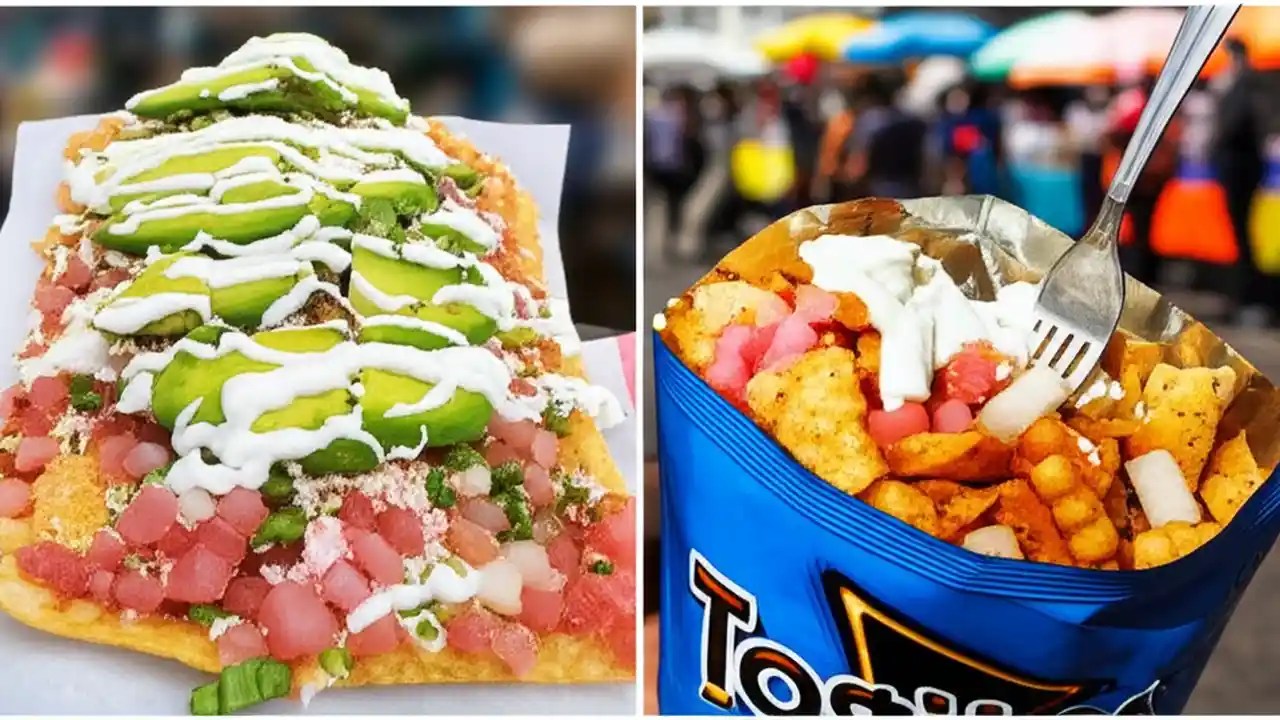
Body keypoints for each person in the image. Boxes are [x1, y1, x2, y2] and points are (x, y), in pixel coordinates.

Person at [1212, 37, 1269, 324]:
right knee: (1239, 233)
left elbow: (1234, 124)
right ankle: (1243, 294)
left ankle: (1247, 296)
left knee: (1242, 233)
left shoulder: (1244, 83)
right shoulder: (1242, 83)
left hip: (1240, 167)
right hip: (1239, 166)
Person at [1104, 78, 1179, 287]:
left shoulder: (1135, 106)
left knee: (1139, 226)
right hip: (1149, 176)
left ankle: (1139, 272)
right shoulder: (1156, 105)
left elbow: (1114, 134)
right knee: (1142, 226)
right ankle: (1142, 271)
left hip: (1142, 176)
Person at [842, 72, 927, 199]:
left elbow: (858, 164)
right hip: (912, 189)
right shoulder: (913, 121)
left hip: (879, 192)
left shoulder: (870, 121)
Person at [644, 84, 703, 262]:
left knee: (658, 208)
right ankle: (669, 249)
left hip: (656, 168)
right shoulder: (680, 116)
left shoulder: (653, 115)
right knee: (673, 207)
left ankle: (656, 251)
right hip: (675, 169)